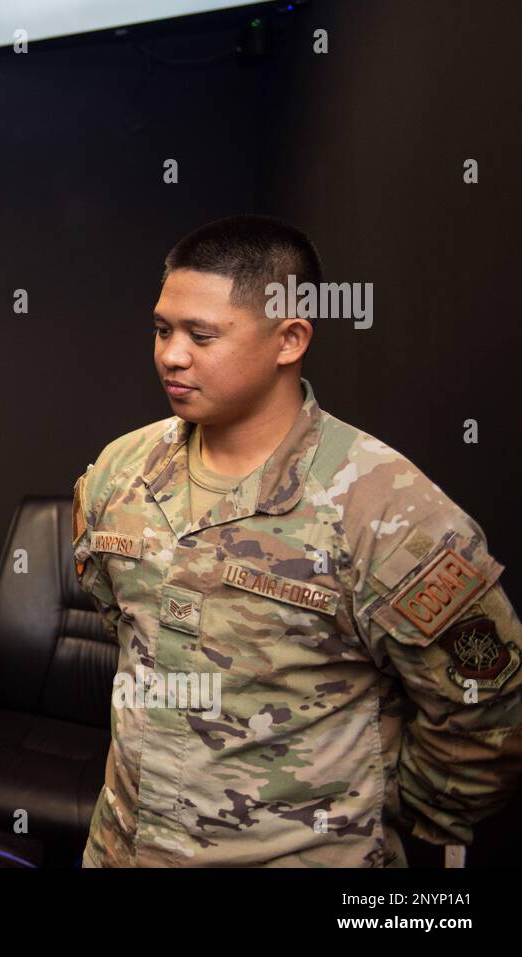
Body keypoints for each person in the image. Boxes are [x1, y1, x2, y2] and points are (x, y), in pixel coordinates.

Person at [72, 214, 522, 866]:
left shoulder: (385, 509)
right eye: (162, 329)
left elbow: (487, 715)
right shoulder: (120, 469)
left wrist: (377, 806)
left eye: (202, 334)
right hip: (124, 845)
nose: (171, 353)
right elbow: (123, 620)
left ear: (289, 338)